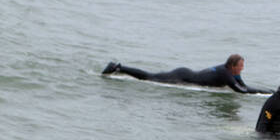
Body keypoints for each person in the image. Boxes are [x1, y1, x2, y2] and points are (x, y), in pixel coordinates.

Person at [102, 54, 265, 93]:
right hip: (182, 77)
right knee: (149, 77)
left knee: (151, 75)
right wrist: (266, 93)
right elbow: (240, 91)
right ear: (232, 65)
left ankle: (119, 68)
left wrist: (266, 92)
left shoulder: (230, 72)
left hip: (186, 72)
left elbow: (243, 86)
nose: (242, 69)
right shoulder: (226, 74)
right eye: (241, 66)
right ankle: (118, 67)